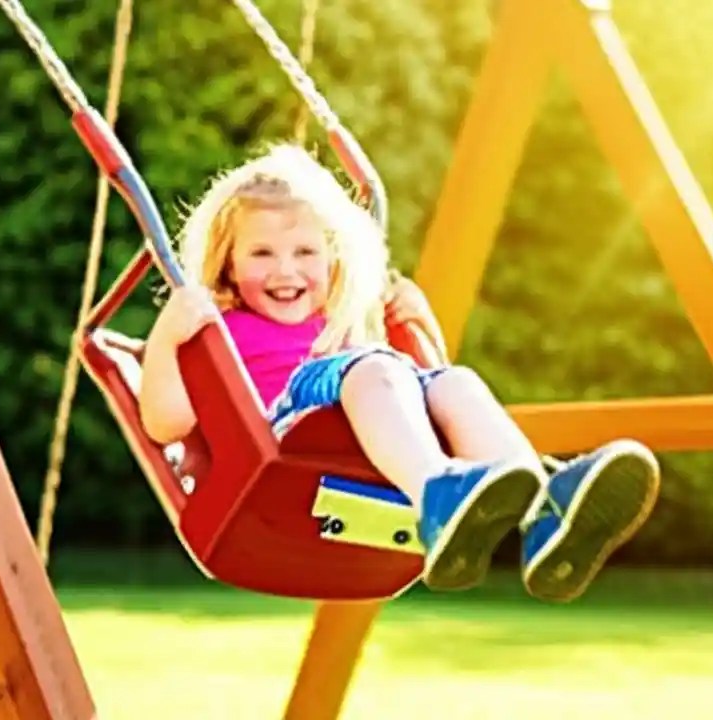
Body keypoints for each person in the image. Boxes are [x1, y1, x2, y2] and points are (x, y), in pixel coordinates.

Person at [137, 144, 660, 602]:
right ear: (228, 264)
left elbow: (407, 407)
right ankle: (438, 493)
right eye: (261, 254)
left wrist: (421, 331)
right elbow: (166, 423)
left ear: (333, 259)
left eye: (305, 252)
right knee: (376, 369)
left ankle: (546, 512)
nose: (286, 270)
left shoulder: (340, 326)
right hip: (289, 437)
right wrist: (167, 336)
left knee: (454, 383)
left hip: (358, 417)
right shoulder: (221, 329)